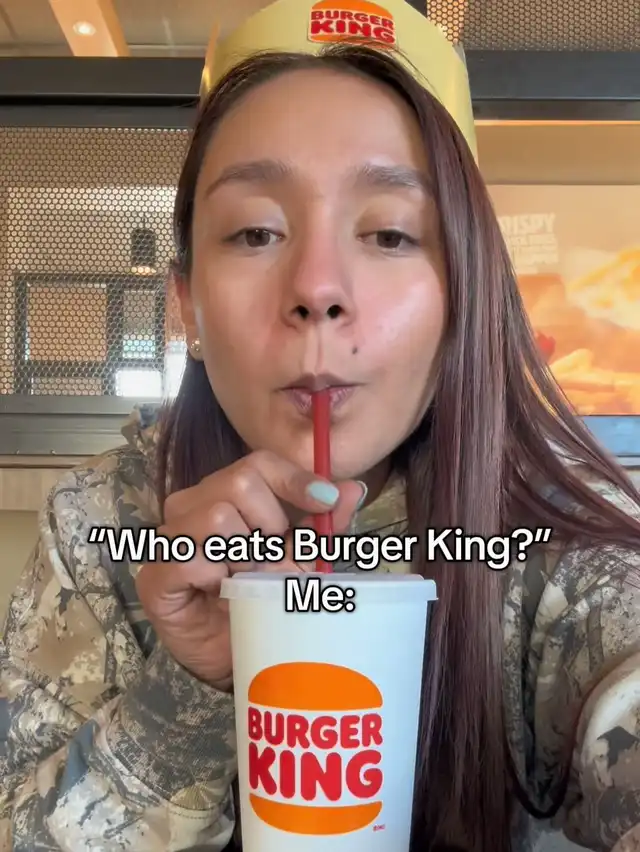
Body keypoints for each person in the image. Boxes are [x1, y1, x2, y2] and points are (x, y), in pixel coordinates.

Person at [2, 4, 640, 851]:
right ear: (186, 304)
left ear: (465, 297)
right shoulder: (100, 524)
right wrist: (189, 690)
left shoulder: (549, 528)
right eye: (255, 231)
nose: (317, 288)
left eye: (390, 233)